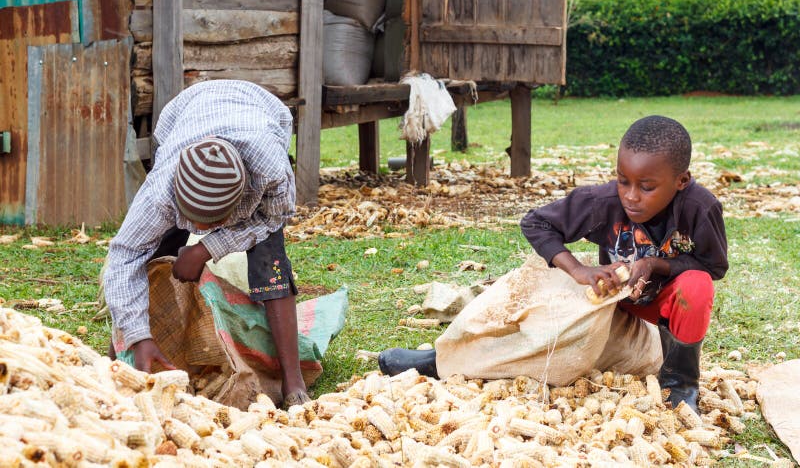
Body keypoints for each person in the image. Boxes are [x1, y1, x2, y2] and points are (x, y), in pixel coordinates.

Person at [380, 115, 728, 413]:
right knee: (525, 294)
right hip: (613, 302)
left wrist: (655, 265)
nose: (631, 196)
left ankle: (681, 386)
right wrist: (579, 271)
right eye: (624, 180)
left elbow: (713, 267)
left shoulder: (700, 208)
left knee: (696, 286)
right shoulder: (605, 203)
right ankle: (443, 360)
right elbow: (536, 223)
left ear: (681, 181)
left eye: (647, 186)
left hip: (663, 312)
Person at [103, 80, 310, 407]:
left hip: (261, 111)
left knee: (270, 260)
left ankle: (293, 379)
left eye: (210, 223)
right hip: (184, 116)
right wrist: (137, 334)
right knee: (158, 254)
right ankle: (127, 349)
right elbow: (124, 254)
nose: (199, 229)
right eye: (192, 219)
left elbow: (274, 217)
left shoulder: (270, 170)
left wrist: (205, 248)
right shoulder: (160, 193)